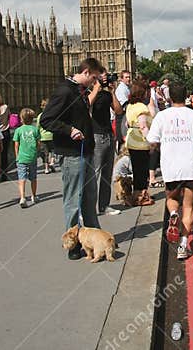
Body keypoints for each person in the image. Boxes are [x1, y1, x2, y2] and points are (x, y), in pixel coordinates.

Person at [40, 58, 105, 256]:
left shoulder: (80, 91)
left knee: (89, 198)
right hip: (71, 154)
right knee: (73, 201)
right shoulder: (64, 91)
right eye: (94, 77)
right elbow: (47, 119)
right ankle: (73, 244)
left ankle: (97, 239)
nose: (95, 82)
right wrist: (69, 130)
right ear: (86, 72)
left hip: (85, 152)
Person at [148, 82, 193, 261]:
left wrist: (160, 148)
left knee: (172, 200)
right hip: (190, 166)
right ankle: (183, 245)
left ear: (169, 97)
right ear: (185, 96)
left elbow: (152, 141)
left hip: (171, 167)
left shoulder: (161, 116)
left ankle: (173, 215)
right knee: (189, 206)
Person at [91, 73, 123, 216]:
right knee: (94, 174)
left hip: (109, 135)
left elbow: (118, 110)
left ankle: (104, 206)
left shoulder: (107, 94)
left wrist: (112, 92)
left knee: (106, 173)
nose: (105, 79)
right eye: (102, 77)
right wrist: (96, 88)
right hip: (96, 136)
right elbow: (87, 108)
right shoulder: (87, 93)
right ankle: (88, 208)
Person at [124, 81, 155, 206]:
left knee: (137, 170)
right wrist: (151, 141)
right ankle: (140, 196)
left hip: (132, 141)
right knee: (142, 170)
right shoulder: (142, 107)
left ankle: (137, 195)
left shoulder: (130, 106)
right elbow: (143, 126)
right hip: (140, 143)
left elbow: (127, 123)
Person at [12, 108, 41, 208]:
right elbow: (38, 143)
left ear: (21, 119)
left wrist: (17, 156)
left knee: (22, 178)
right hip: (32, 157)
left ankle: (23, 197)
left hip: (21, 158)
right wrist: (36, 152)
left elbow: (16, 145)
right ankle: (34, 196)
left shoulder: (18, 130)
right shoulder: (35, 130)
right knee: (33, 178)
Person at [114, 70, 131, 151]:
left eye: (129, 77)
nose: (129, 79)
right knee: (123, 145)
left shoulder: (126, 88)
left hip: (125, 118)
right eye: (126, 77)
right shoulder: (121, 89)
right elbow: (124, 105)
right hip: (122, 118)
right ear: (121, 79)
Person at [36, 98, 55, 174]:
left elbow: (37, 127)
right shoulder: (53, 115)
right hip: (52, 136)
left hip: (43, 137)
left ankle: (46, 168)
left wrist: (38, 137)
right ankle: (52, 161)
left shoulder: (40, 116)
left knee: (45, 153)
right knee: (53, 151)